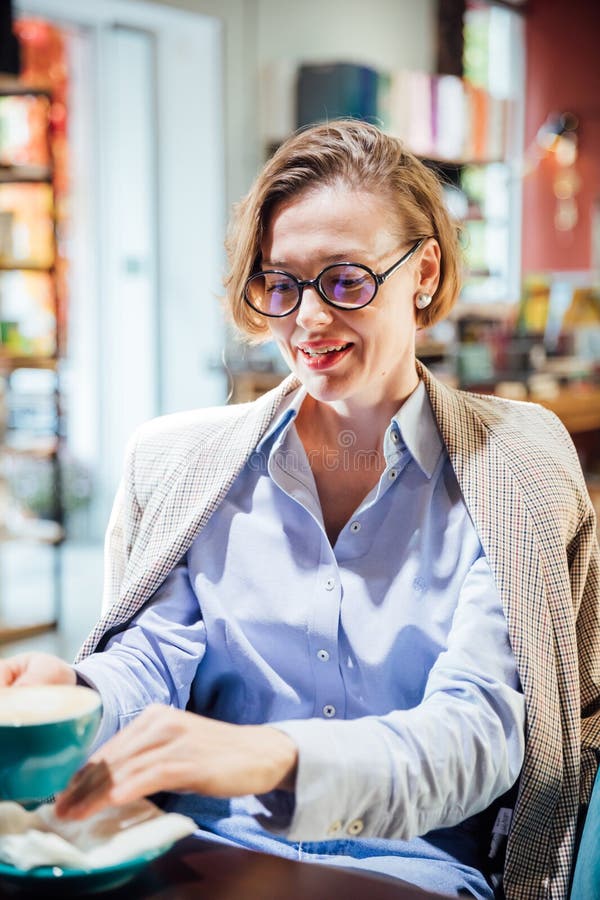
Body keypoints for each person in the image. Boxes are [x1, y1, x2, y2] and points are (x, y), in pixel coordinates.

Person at [1, 119, 598, 900]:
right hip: (197, 851)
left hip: (408, 873)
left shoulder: (512, 467)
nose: (307, 322)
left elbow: (477, 736)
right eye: (281, 285)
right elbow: (150, 660)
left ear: (423, 272)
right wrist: (75, 696)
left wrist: (275, 757)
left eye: (346, 280)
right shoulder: (189, 467)